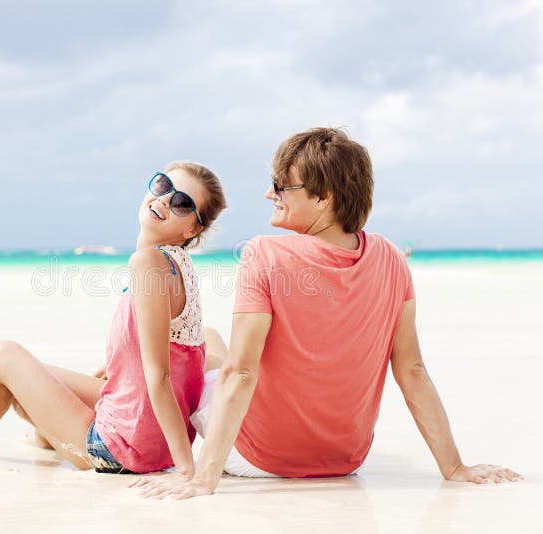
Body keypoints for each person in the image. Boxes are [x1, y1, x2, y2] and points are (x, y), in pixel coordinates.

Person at [132, 127, 521, 498]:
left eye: (282, 186)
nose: (270, 193)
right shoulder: (391, 258)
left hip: (259, 457)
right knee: (211, 341)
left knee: (203, 362)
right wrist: (454, 467)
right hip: (344, 459)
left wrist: (204, 479)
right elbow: (412, 370)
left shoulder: (264, 254)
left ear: (323, 197)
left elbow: (242, 373)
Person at [0, 162, 227, 475]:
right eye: (164, 186)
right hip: (153, 439)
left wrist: (185, 470)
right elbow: (184, 353)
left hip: (124, 450)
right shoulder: (179, 264)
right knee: (37, 377)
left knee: (1, 357)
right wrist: (121, 368)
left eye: (181, 203)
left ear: (193, 230)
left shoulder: (148, 263)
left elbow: (161, 375)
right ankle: (45, 439)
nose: (164, 200)